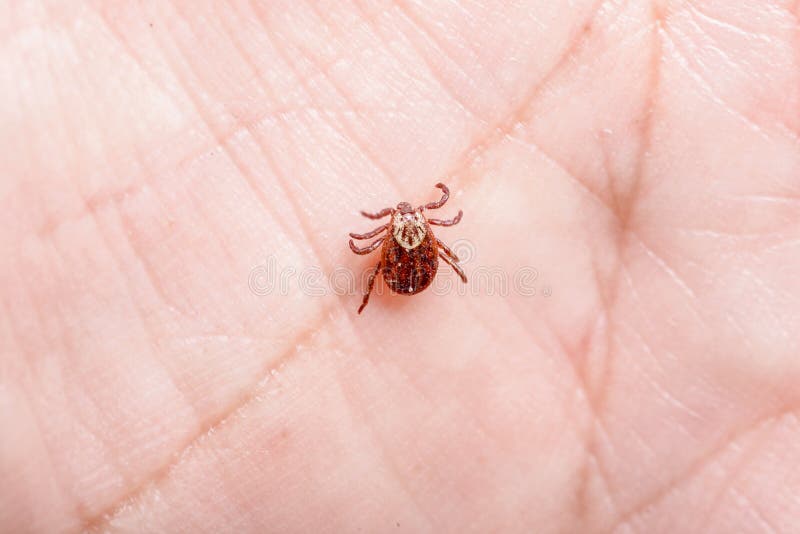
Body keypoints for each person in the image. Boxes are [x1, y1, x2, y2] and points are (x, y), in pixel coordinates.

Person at [2, 1, 798, 532]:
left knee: (366, 281)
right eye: (411, 229)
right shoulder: (418, 244)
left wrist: (394, 269)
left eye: (412, 227)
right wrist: (430, 268)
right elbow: (406, 253)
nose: (412, 231)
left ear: (408, 233)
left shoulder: (396, 246)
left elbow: (373, 252)